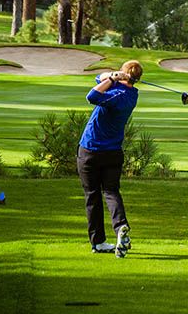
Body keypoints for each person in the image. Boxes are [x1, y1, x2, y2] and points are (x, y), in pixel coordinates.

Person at [77, 59, 143, 257]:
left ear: (124, 74)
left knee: (92, 196)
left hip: (90, 150)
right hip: (113, 153)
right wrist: (113, 75)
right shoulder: (132, 94)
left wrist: (113, 77)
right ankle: (120, 226)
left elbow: (92, 96)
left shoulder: (116, 95)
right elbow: (99, 77)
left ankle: (98, 242)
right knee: (111, 192)